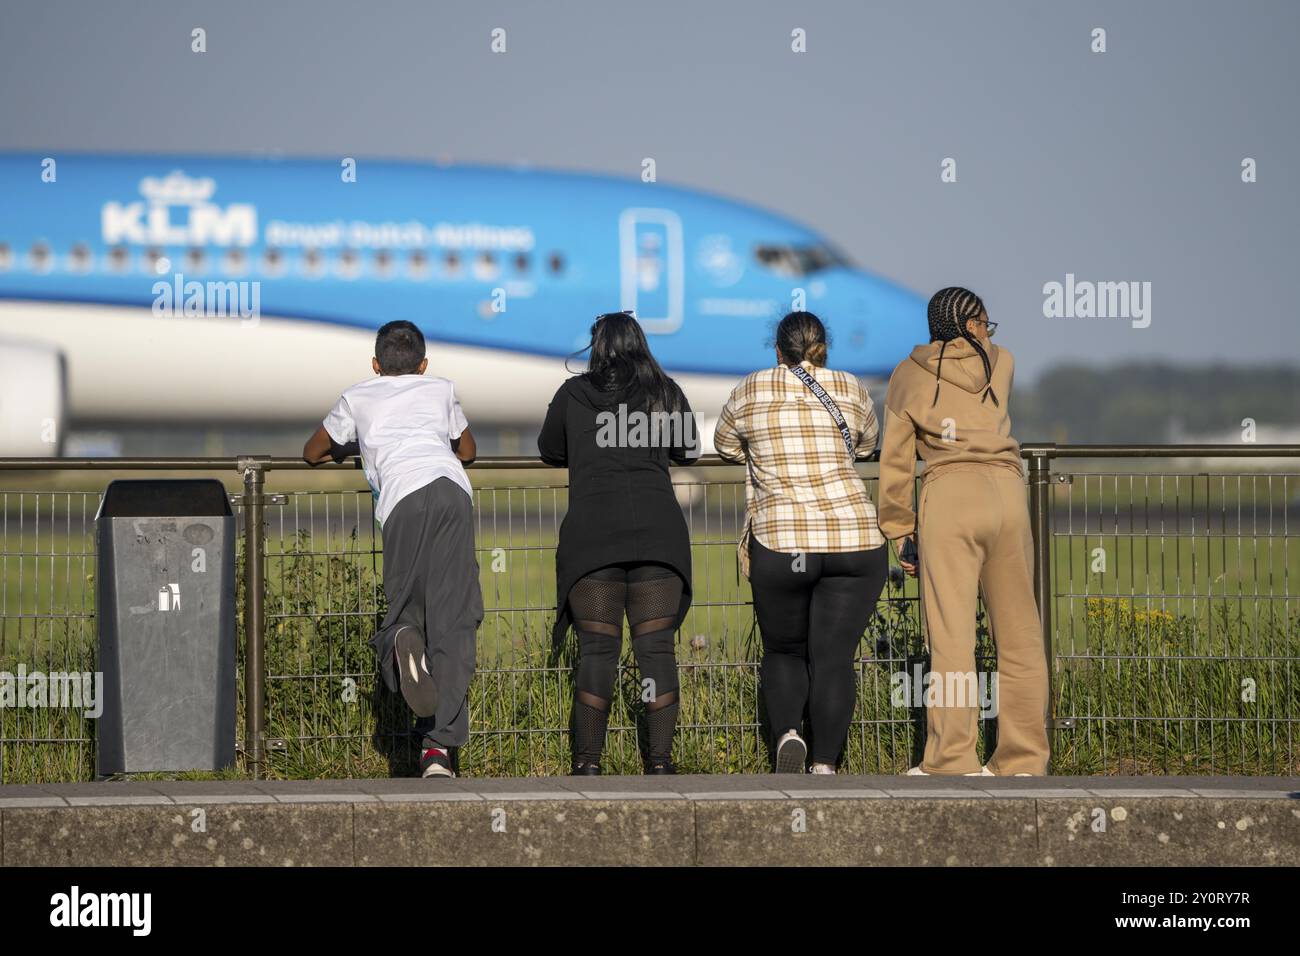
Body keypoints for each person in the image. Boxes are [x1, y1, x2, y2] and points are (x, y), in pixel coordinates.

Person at [877, 287, 1049, 777]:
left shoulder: (909, 375)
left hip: (950, 497)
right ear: (971, 324)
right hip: (1008, 494)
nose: (990, 333)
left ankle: (953, 759)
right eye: (986, 324)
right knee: (1019, 637)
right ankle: (1023, 759)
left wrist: (898, 526)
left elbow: (896, 460)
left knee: (951, 639)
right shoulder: (1004, 363)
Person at [303, 320, 483, 779]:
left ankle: (401, 641)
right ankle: (438, 752)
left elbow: (313, 452)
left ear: (375, 365)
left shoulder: (358, 395)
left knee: (406, 612)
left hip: (403, 499)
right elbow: (468, 450)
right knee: (456, 619)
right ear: (424, 365)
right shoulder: (440, 388)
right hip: (451, 492)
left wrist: (356, 445)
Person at [714, 312, 888, 774]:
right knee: (833, 658)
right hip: (855, 539)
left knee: (785, 650)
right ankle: (827, 764)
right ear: (824, 349)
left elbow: (725, 444)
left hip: (783, 539)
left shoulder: (750, 388)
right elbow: (867, 445)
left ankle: (789, 733)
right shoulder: (851, 387)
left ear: (777, 350)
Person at [539, 311, 698, 775]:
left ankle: (587, 763)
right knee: (656, 652)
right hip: (659, 538)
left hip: (593, 540)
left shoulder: (573, 394)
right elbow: (688, 450)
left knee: (598, 653)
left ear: (596, 347)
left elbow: (550, 449)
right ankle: (661, 763)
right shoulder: (664, 392)